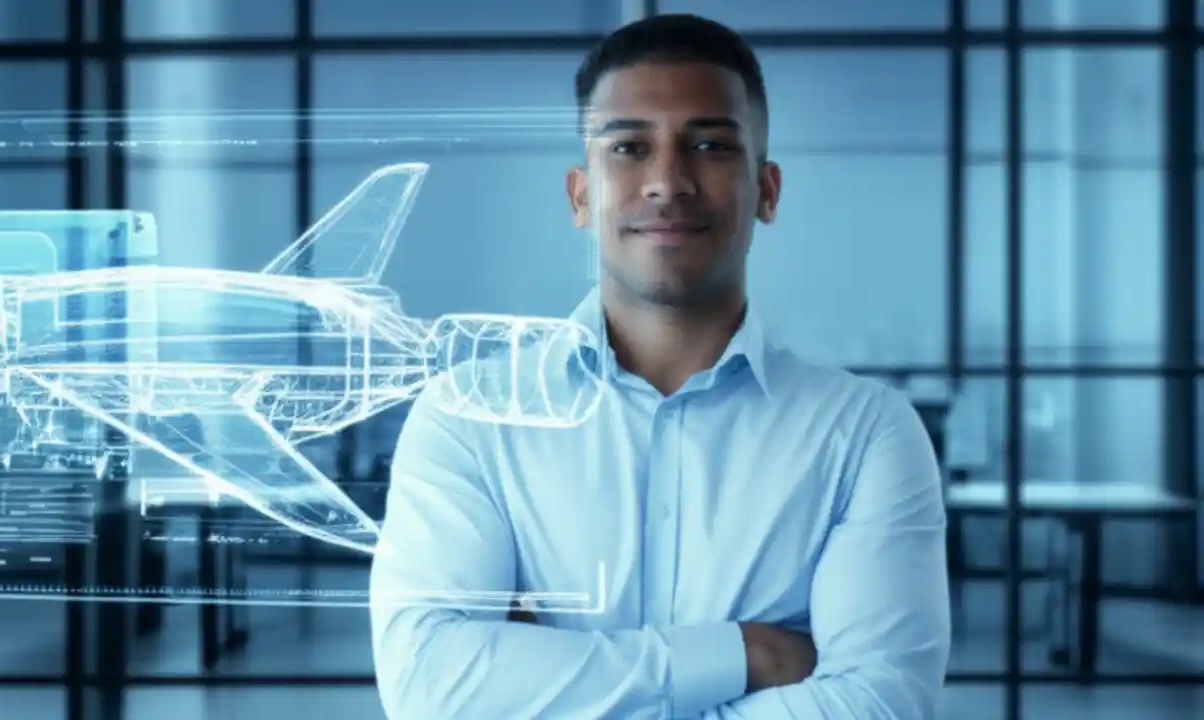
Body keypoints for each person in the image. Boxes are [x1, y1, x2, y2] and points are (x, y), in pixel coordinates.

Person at [369, 13, 950, 719]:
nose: (667, 181)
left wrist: (548, 686)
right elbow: (431, 689)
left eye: (708, 145)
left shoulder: (865, 434)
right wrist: (747, 655)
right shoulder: (469, 416)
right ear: (581, 195)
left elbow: (882, 704)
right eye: (629, 148)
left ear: (767, 191)